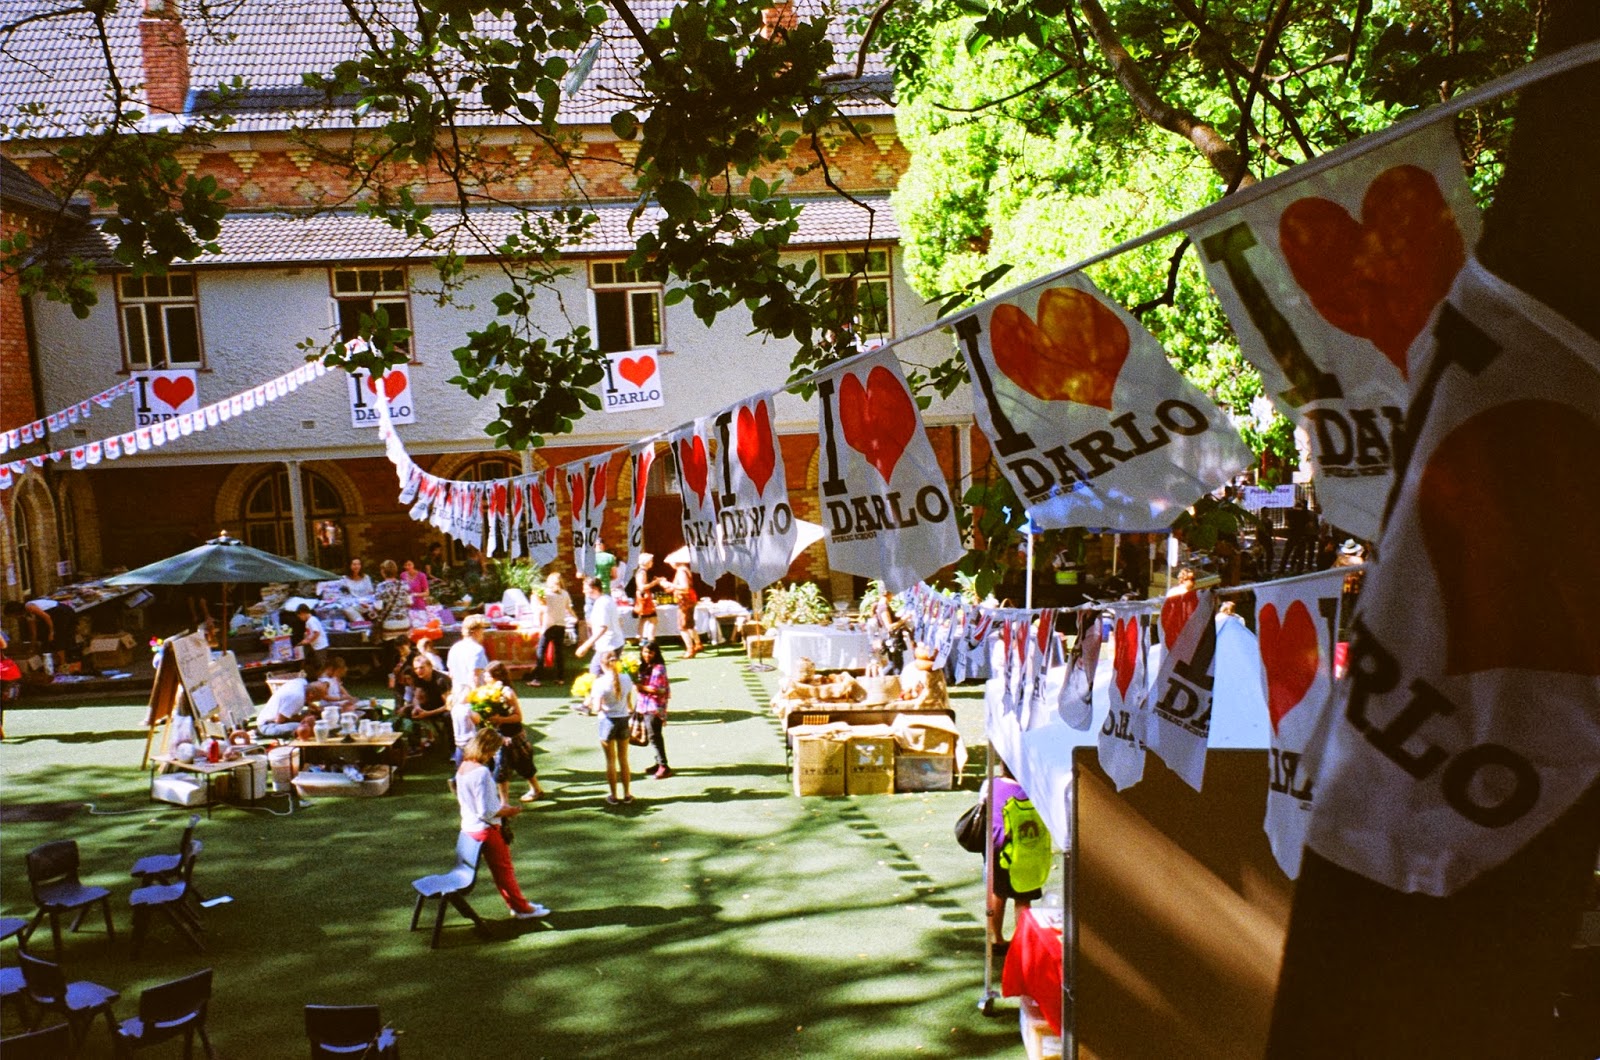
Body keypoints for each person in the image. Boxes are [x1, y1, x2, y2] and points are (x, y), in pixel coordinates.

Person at [454, 726, 548, 920]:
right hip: (486, 829)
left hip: (470, 828)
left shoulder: (463, 767)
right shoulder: (481, 772)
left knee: (501, 872)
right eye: (495, 750)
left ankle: (517, 905)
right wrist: (510, 811)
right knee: (505, 871)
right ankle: (523, 909)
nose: (495, 755)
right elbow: (486, 811)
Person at [983, 761, 1050, 947]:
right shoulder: (1034, 789)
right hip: (1028, 851)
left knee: (998, 893)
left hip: (1000, 849)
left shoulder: (992, 785)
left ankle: (996, 938)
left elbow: (982, 805)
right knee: (1023, 898)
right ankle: (1022, 943)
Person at [486, 662, 546, 802]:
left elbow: (518, 717)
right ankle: (504, 801)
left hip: (513, 735)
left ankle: (536, 789)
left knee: (524, 764)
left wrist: (499, 718)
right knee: (500, 768)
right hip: (498, 735)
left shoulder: (507, 692)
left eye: (487, 675)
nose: (484, 677)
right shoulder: (487, 691)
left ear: (497, 676)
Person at [588, 648, 634, 804]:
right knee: (624, 759)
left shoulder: (599, 682)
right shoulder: (627, 678)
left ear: (602, 664)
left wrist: (588, 697)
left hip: (607, 721)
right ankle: (627, 794)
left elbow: (595, 708)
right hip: (623, 720)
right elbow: (629, 703)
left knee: (610, 761)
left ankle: (613, 795)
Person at [448, 614, 493, 759]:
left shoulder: (455, 648)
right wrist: (477, 703)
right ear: (476, 631)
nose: (484, 633)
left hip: (457, 697)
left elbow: (452, 675)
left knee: (462, 741)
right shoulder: (477, 650)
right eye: (482, 630)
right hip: (472, 699)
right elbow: (474, 677)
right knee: (477, 740)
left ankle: (459, 775)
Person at [633, 639, 672, 780]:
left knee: (654, 736)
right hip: (645, 705)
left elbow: (659, 690)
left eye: (650, 652)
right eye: (644, 651)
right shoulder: (644, 666)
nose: (647, 654)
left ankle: (664, 765)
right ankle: (658, 762)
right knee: (652, 735)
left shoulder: (659, 668)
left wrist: (640, 687)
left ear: (656, 653)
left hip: (655, 706)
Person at [397, 651, 451, 752]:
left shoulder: (441, 680)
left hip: (444, 708)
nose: (418, 671)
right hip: (430, 705)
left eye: (422, 667)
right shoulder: (419, 678)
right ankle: (416, 744)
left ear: (430, 667)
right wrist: (417, 707)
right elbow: (416, 697)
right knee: (407, 711)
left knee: (448, 716)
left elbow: (448, 706)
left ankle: (453, 748)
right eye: (416, 668)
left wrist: (427, 714)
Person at [5, 598, 75, 671]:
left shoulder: (29, 607)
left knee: (57, 638)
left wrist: (52, 632)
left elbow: (47, 617)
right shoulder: (26, 614)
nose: (15, 618)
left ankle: (63, 663)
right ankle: (57, 661)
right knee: (47, 638)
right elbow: (33, 631)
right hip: (55, 616)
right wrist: (32, 645)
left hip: (62, 612)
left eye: (13, 616)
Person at [529, 571, 573, 687]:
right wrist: (575, 616)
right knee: (559, 652)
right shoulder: (565, 594)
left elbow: (540, 606)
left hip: (548, 626)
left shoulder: (546, 594)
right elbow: (568, 607)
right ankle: (560, 677)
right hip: (561, 625)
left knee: (541, 651)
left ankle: (537, 678)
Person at [575, 576, 624, 675]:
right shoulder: (607, 599)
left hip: (608, 646)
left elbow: (603, 628)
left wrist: (586, 646)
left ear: (595, 589)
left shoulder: (602, 603)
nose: (583, 591)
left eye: (586, 588)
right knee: (610, 675)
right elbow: (618, 621)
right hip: (614, 643)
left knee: (595, 674)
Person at [370, 560, 412, 673]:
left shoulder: (380, 587)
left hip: (389, 625)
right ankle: (405, 674)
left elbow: (378, 607)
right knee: (403, 651)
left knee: (389, 651)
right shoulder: (404, 585)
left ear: (383, 572)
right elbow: (409, 602)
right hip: (404, 623)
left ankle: (390, 676)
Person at [255, 677, 327, 738]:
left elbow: (304, 696)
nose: (314, 701)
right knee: (306, 728)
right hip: (269, 725)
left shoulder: (301, 682)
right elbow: (279, 720)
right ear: (311, 695)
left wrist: (310, 705)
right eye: (317, 698)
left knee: (311, 719)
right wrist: (303, 718)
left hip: (276, 717)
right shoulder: (297, 697)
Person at [668, 561, 703, 658]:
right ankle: (698, 644)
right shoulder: (684, 569)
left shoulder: (681, 571)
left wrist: (671, 585)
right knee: (690, 624)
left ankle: (690, 649)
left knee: (682, 627)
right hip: (689, 600)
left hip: (685, 601)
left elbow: (685, 587)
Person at [632, 553, 664, 643]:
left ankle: (641, 637)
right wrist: (655, 582)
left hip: (643, 597)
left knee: (644, 619)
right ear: (647, 562)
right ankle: (650, 639)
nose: (652, 563)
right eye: (651, 561)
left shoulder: (641, 571)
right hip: (645, 598)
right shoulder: (642, 572)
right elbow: (642, 586)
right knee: (653, 620)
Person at [296, 603, 328, 677]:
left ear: (302, 613)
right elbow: (310, 633)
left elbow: (316, 632)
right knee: (318, 663)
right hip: (316, 646)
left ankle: (324, 680)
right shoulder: (309, 621)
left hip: (320, 646)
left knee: (321, 665)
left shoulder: (311, 621)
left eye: (300, 616)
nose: (300, 619)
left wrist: (308, 641)